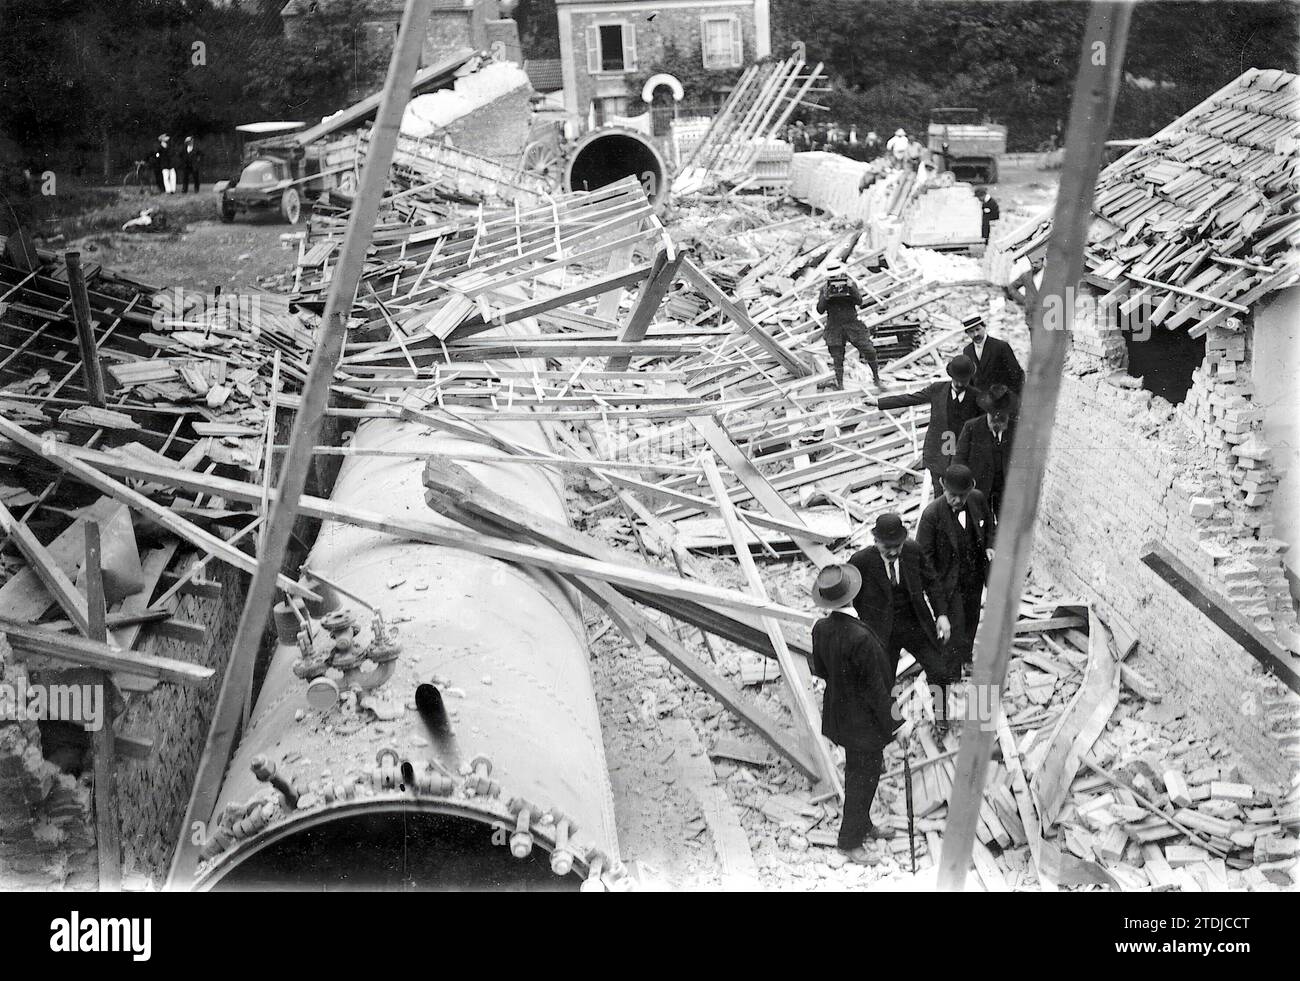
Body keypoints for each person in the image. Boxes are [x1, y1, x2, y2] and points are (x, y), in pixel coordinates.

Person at [809, 564, 900, 863]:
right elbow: (878, 691)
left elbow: (820, 669)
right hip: (865, 724)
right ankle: (849, 841)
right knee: (863, 779)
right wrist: (898, 724)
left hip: (841, 717)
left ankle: (863, 825)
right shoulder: (860, 637)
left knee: (859, 774)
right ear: (852, 594)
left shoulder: (821, 628)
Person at [848, 513, 953, 687]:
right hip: (881, 632)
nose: (893, 552)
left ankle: (942, 714)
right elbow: (849, 598)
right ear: (875, 541)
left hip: (915, 625)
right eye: (887, 546)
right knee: (882, 684)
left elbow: (932, 583)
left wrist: (941, 614)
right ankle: (890, 714)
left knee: (940, 673)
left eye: (898, 546)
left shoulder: (913, 550)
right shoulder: (860, 562)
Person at [865, 354, 984, 497]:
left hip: (962, 456)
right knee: (940, 495)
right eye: (956, 380)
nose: (959, 384)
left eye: (963, 381)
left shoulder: (977, 397)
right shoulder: (937, 390)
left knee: (961, 496)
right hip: (938, 453)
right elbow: (910, 398)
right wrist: (879, 403)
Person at [917, 464, 996, 669]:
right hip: (948, 582)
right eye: (954, 495)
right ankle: (952, 670)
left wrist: (989, 546)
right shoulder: (931, 515)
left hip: (974, 577)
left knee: (971, 618)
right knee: (955, 624)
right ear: (943, 488)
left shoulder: (977, 499)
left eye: (963, 495)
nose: (958, 500)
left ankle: (966, 657)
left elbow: (990, 526)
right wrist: (936, 598)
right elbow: (924, 561)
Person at [816, 260, 881, 389]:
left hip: (852, 323)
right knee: (837, 357)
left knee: (869, 350)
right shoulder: (824, 289)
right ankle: (840, 384)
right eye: (832, 276)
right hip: (834, 326)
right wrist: (826, 296)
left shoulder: (850, 284)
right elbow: (820, 310)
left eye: (837, 275)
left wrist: (851, 289)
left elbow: (859, 301)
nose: (835, 278)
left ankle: (877, 379)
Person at [956, 385, 1018, 518]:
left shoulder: (1017, 430)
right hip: (979, 489)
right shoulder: (971, 427)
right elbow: (959, 460)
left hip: (1006, 491)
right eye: (993, 415)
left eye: (1001, 416)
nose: (997, 420)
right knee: (980, 529)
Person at [961, 314, 1024, 395]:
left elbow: (1017, 375)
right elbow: (970, 380)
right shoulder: (967, 351)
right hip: (981, 402)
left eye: (978, 329)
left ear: (984, 327)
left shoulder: (1001, 346)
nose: (976, 334)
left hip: (1002, 400)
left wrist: (1014, 399)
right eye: (971, 331)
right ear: (967, 333)